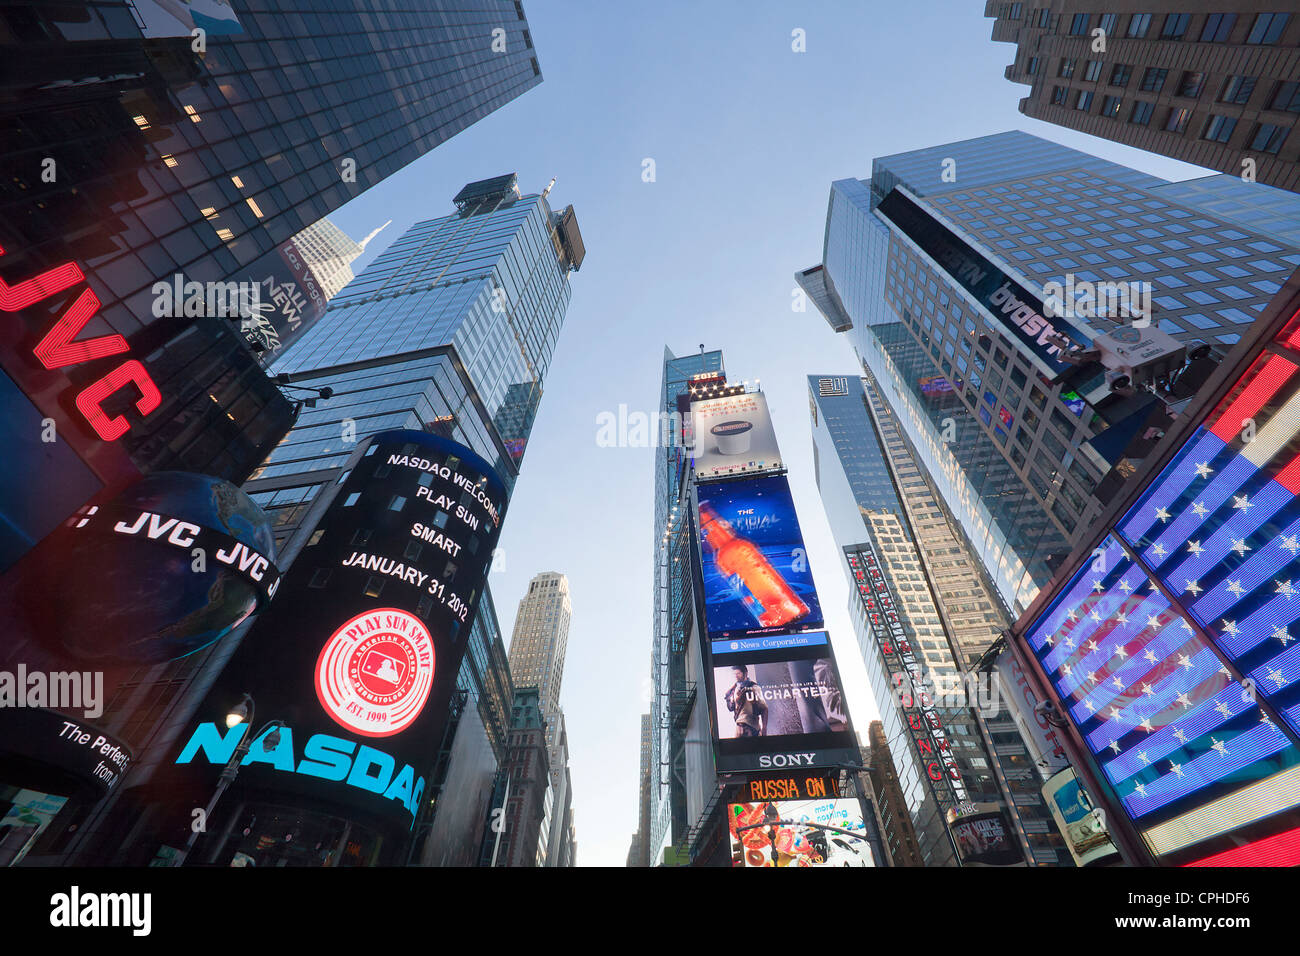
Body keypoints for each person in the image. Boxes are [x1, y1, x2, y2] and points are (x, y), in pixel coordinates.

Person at [724, 665, 767, 737]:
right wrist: (728, 699)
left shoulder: (754, 687)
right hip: (740, 726)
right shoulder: (734, 690)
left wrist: (764, 728)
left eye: (738, 674)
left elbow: (764, 709)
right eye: (734, 674)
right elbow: (731, 708)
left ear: (745, 673)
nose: (736, 676)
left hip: (751, 726)